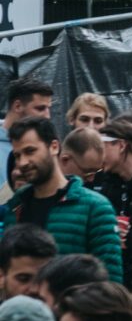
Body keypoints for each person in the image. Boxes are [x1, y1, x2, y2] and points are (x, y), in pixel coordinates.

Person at [3, 118, 121, 282]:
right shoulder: (14, 208)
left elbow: (111, 283)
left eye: (30, 151)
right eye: (17, 155)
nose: (22, 162)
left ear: (54, 147)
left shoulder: (95, 208)